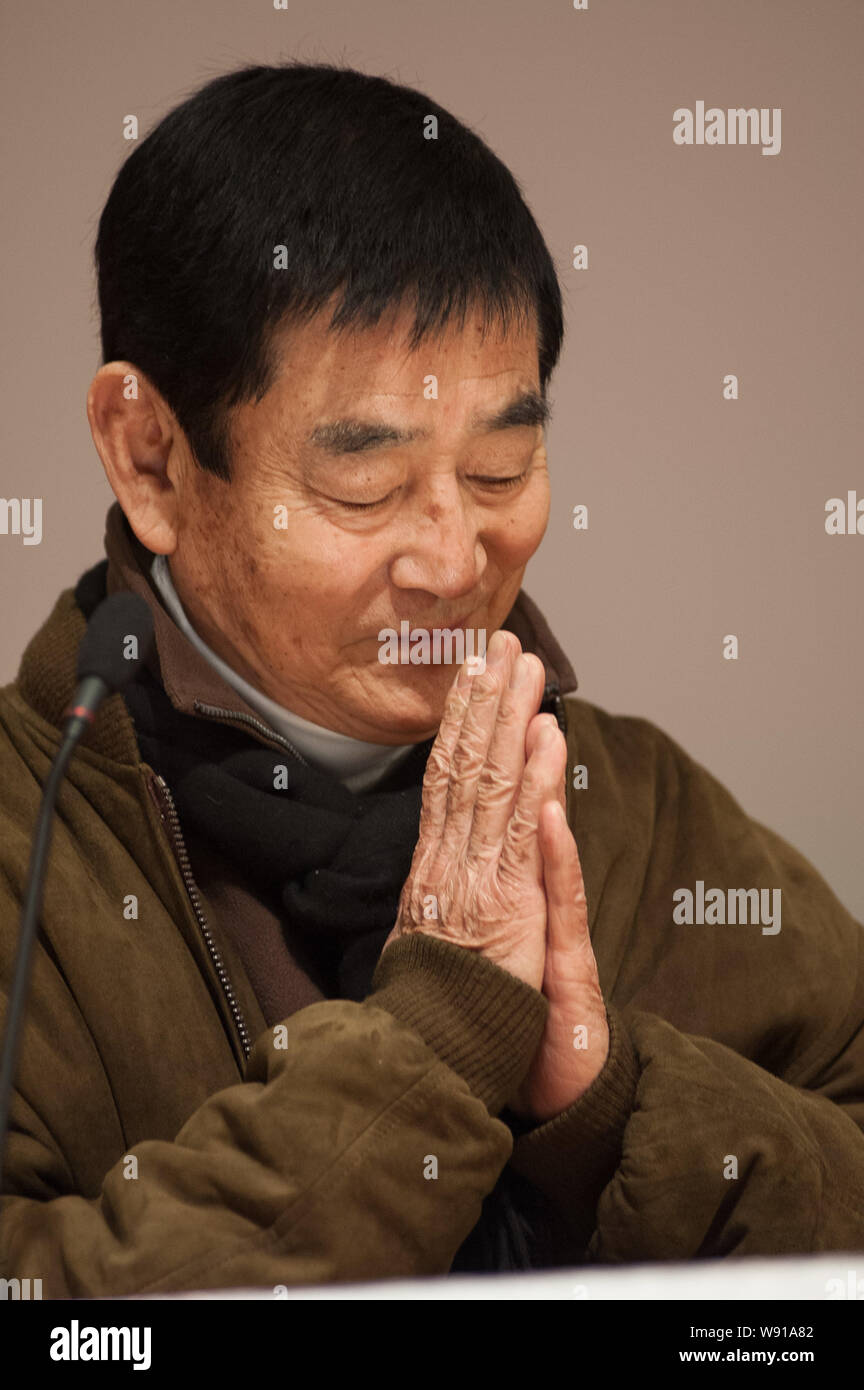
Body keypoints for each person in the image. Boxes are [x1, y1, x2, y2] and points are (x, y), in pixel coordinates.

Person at [1, 61, 863, 1298]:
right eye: (366, 485)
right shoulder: (22, 851)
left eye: (504, 468)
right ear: (151, 458)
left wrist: (614, 1105)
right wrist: (439, 1046)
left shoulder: (647, 809)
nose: (457, 561)